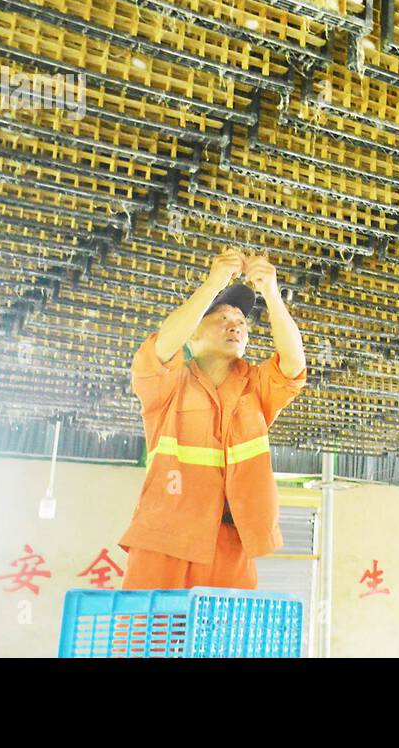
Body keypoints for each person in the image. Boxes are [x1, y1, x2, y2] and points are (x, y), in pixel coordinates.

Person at [119, 247, 307, 590]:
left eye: (240, 322)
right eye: (221, 318)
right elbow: (161, 348)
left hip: (234, 543)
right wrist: (213, 284)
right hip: (165, 540)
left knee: (224, 642)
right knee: (151, 641)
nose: (235, 325)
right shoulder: (166, 384)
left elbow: (293, 365)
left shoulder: (255, 387)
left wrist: (272, 295)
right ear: (193, 333)